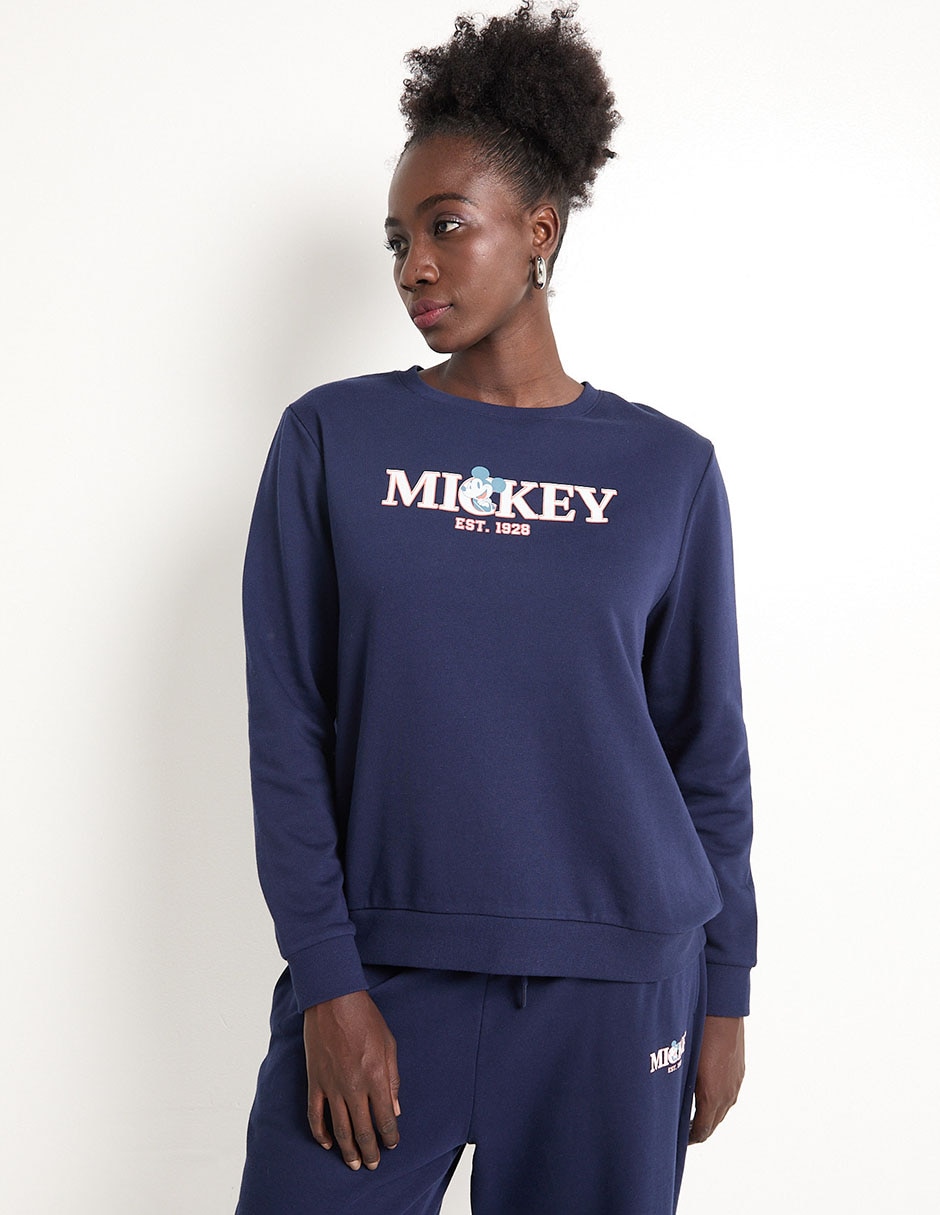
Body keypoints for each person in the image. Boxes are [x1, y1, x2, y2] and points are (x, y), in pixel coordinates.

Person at [235, 4, 756, 1213]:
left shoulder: (667, 469)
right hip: (384, 975)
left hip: (619, 987)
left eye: (446, 225)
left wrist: (725, 989)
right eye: (398, 238)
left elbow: (706, 752)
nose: (413, 264)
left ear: (539, 230)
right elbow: (288, 729)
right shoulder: (333, 440)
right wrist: (328, 981)